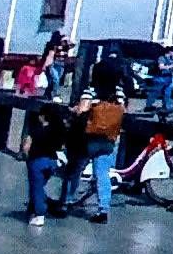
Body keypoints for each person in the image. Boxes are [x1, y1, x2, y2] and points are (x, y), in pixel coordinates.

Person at [66, 69, 126, 223]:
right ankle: (103, 209)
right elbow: (123, 110)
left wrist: (73, 109)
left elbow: (82, 110)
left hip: (89, 138)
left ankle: (67, 200)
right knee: (102, 174)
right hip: (108, 140)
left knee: (75, 169)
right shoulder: (119, 93)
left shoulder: (91, 91)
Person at [24, 95, 74, 226]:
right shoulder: (59, 130)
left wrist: (26, 156)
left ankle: (39, 214)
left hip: (37, 162)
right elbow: (63, 146)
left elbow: (26, 146)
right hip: (52, 162)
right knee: (40, 186)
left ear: (44, 116)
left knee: (36, 188)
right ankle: (33, 208)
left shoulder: (37, 130)